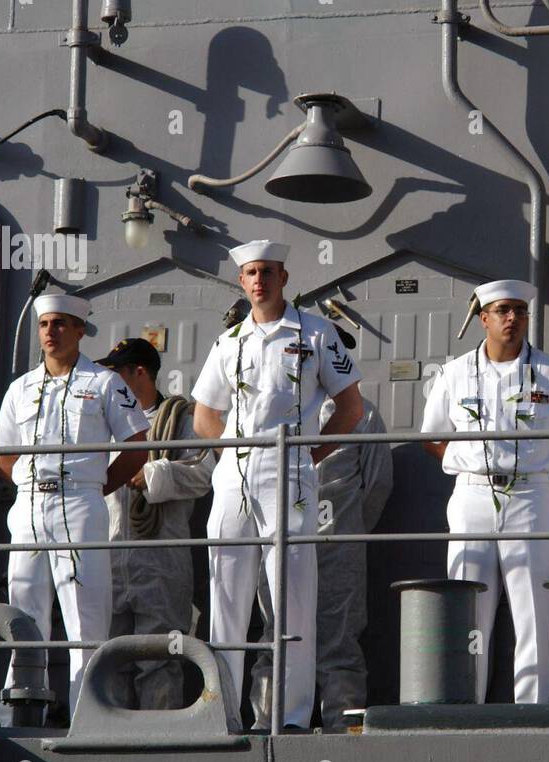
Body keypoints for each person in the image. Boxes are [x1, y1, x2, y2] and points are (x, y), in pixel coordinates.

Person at [192, 240, 364, 730]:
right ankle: (221, 715)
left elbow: (349, 408)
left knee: (293, 597)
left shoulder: (316, 332)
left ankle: (289, 716)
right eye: (250, 273)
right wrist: (233, 456)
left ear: (284, 277)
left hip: (289, 470)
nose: (259, 280)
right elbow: (205, 415)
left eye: (267, 271)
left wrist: (309, 454)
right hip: (234, 474)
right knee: (225, 596)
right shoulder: (228, 342)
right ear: (241, 282)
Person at [420, 280, 549, 704]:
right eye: (502, 310)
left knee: (535, 609)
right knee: (468, 608)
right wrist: (464, 465)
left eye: (520, 310)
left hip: (531, 497)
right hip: (472, 497)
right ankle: (464, 705)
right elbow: (429, 436)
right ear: (484, 319)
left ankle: (534, 708)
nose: (512, 318)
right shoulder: (454, 371)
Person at [0, 293, 149, 722]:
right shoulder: (19, 388)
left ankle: (87, 718)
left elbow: (137, 447)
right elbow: (3, 453)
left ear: (79, 330)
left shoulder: (104, 383)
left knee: (86, 619)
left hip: (80, 502)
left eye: (60, 324)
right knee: (23, 617)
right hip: (29, 506)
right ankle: (20, 715)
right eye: (44, 324)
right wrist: (28, 485)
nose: (51, 332)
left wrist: (96, 487)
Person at [252, 396, 393, 731]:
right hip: (283, 544)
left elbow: (377, 483)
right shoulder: (270, 407)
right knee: (277, 635)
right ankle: (268, 724)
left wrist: (349, 530)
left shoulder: (364, 413)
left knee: (340, 642)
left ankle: (343, 729)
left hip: (338, 548)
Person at [97, 337, 214, 709]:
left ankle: (158, 740)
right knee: (109, 660)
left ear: (140, 373)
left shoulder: (181, 421)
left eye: (116, 374)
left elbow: (203, 473)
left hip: (160, 558)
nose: (108, 382)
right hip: (110, 556)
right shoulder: (103, 424)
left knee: (159, 660)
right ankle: (111, 741)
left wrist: (153, 475)